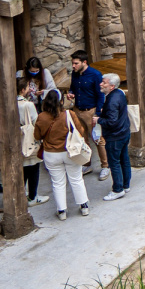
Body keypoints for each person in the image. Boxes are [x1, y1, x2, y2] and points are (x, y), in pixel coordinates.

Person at [34, 92, 90, 220]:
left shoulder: (41, 117)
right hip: (70, 151)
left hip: (51, 154)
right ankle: (84, 207)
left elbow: (37, 136)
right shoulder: (69, 114)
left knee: (58, 183)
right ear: (61, 101)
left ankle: (62, 211)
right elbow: (80, 131)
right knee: (76, 179)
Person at [69, 50, 109, 177]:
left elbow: (100, 95)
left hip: (91, 111)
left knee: (98, 139)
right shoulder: (74, 74)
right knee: (82, 139)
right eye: (73, 63)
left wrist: (97, 113)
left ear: (84, 62)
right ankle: (87, 164)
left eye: (76, 63)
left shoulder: (95, 75)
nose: (73, 66)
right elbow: (72, 87)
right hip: (78, 110)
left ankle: (105, 166)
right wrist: (71, 93)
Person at [98, 72, 132, 201]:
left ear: (111, 86)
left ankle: (118, 189)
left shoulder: (112, 100)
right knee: (124, 159)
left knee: (114, 163)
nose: (101, 84)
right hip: (124, 132)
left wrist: (99, 120)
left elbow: (111, 121)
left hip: (115, 136)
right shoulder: (119, 93)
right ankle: (125, 185)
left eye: (104, 82)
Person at [18, 82, 45, 205]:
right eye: (28, 87)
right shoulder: (28, 105)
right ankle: (33, 196)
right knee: (34, 167)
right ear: (23, 89)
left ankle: (21, 195)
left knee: (22, 168)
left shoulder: (10, 103)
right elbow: (36, 122)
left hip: (17, 139)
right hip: (29, 138)